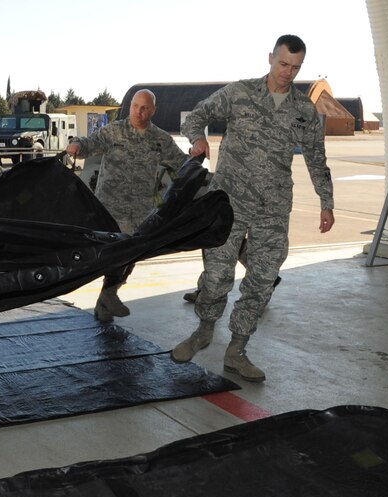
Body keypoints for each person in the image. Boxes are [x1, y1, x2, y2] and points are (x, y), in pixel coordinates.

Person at [171, 34, 334, 382]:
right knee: (216, 278)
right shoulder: (239, 93)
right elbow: (196, 115)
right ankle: (203, 331)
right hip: (228, 202)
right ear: (270, 58)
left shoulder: (304, 110)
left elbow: (317, 159)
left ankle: (237, 351)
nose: (288, 73)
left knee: (260, 282)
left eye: (296, 67)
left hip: (273, 209)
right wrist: (197, 137)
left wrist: (327, 202)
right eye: (283, 64)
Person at [66, 89, 188, 322]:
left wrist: (197, 162)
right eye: (134, 106)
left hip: (140, 210)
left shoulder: (160, 139)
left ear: (153, 111)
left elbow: (181, 163)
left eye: (144, 108)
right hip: (110, 206)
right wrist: (77, 145)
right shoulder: (115, 131)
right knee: (111, 254)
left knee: (131, 255)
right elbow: (91, 143)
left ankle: (108, 295)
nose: (138, 112)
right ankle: (108, 295)